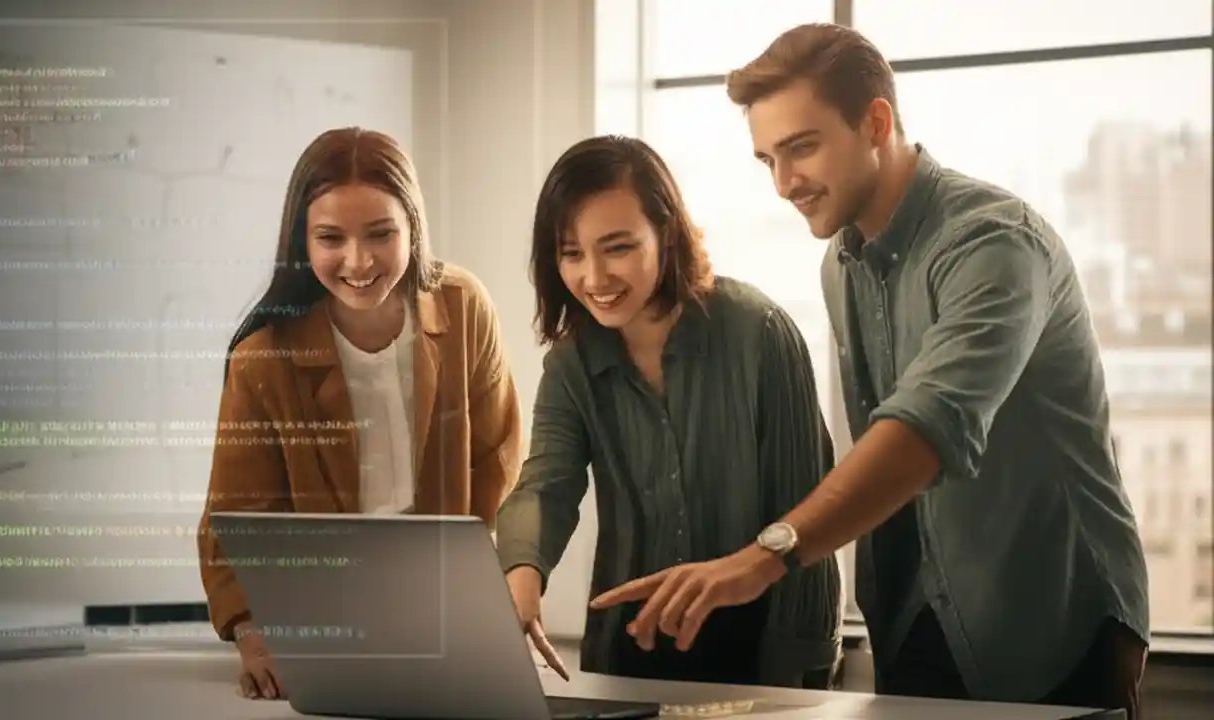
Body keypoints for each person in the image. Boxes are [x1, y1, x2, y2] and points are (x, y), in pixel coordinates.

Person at [592, 22, 1151, 719]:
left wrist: (765, 556)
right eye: (767, 159)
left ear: (876, 121)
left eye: (801, 148)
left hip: (1049, 624)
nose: (783, 183)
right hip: (914, 628)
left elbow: (924, 429)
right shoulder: (841, 264)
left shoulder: (994, 243)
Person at [494, 135, 843, 689]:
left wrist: (793, 676)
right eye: (571, 253)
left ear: (667, 234)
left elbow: (806, 513)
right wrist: (521, 576)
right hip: (628, 655)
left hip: (764, 659)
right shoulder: (572, 363)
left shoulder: (760, 332)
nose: (594, 277)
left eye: (617, 247)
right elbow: (545, 486)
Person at [195, 128, 523, 700]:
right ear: (302, 240)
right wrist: (254, 635)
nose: (358, 261)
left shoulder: (463, 305)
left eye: (381, 234)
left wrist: (500, 590)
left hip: (444, 607)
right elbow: (236, 515)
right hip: (324, 617)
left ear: (413, 227)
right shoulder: (262, 359)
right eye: (330, 238)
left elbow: (499, 461)